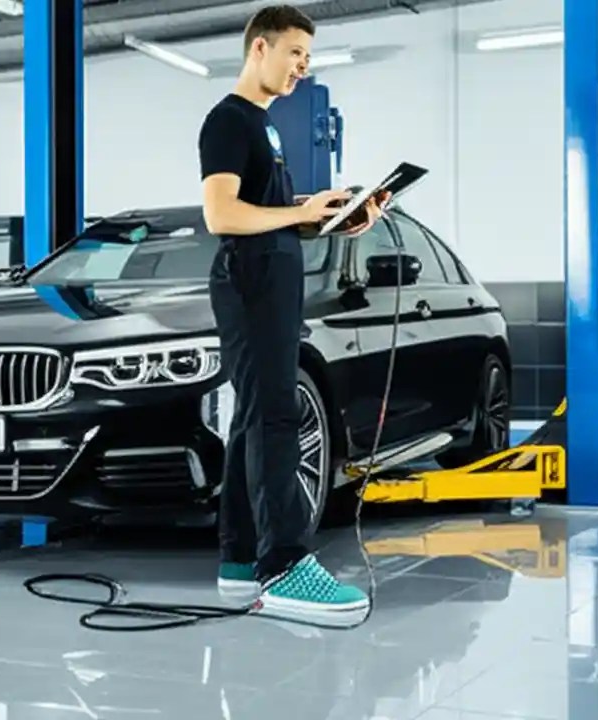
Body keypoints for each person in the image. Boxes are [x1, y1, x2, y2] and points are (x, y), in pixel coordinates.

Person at [197, 4, 388, 627]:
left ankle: (238, 561)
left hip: (272, 279)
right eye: (295, 54)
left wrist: (330, 214)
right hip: (251, 283)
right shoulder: (228, 121)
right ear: (260, 48)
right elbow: (222, 216)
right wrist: (295, 214)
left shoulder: (266, 126)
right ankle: (284, 566)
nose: (303, 67)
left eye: (308, 58)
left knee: (254, 416)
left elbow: (267, 214)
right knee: (274, 414)